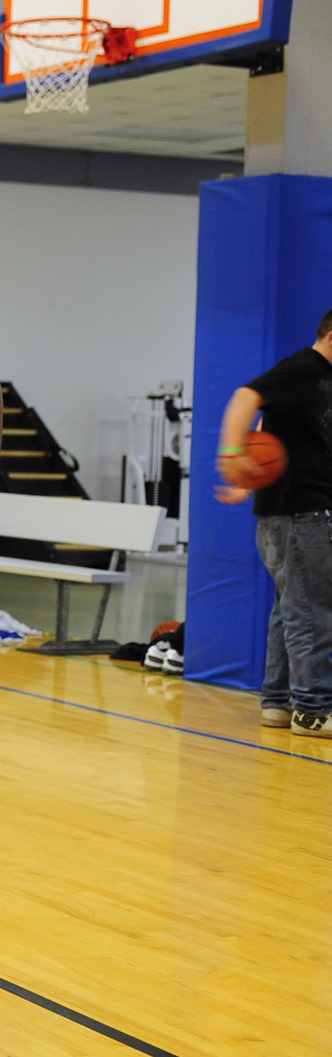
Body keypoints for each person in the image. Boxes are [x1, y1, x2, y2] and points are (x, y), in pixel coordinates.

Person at [215, 311, 332, 738]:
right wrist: (232, 456)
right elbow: (247, 396)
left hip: (293, 510)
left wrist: (252, 473)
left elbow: (273, 422)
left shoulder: (316, 379)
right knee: (311, 611)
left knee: (291, 609)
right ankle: (314, 708)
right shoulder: (304, 367)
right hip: (298, 513)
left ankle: (277, 702)